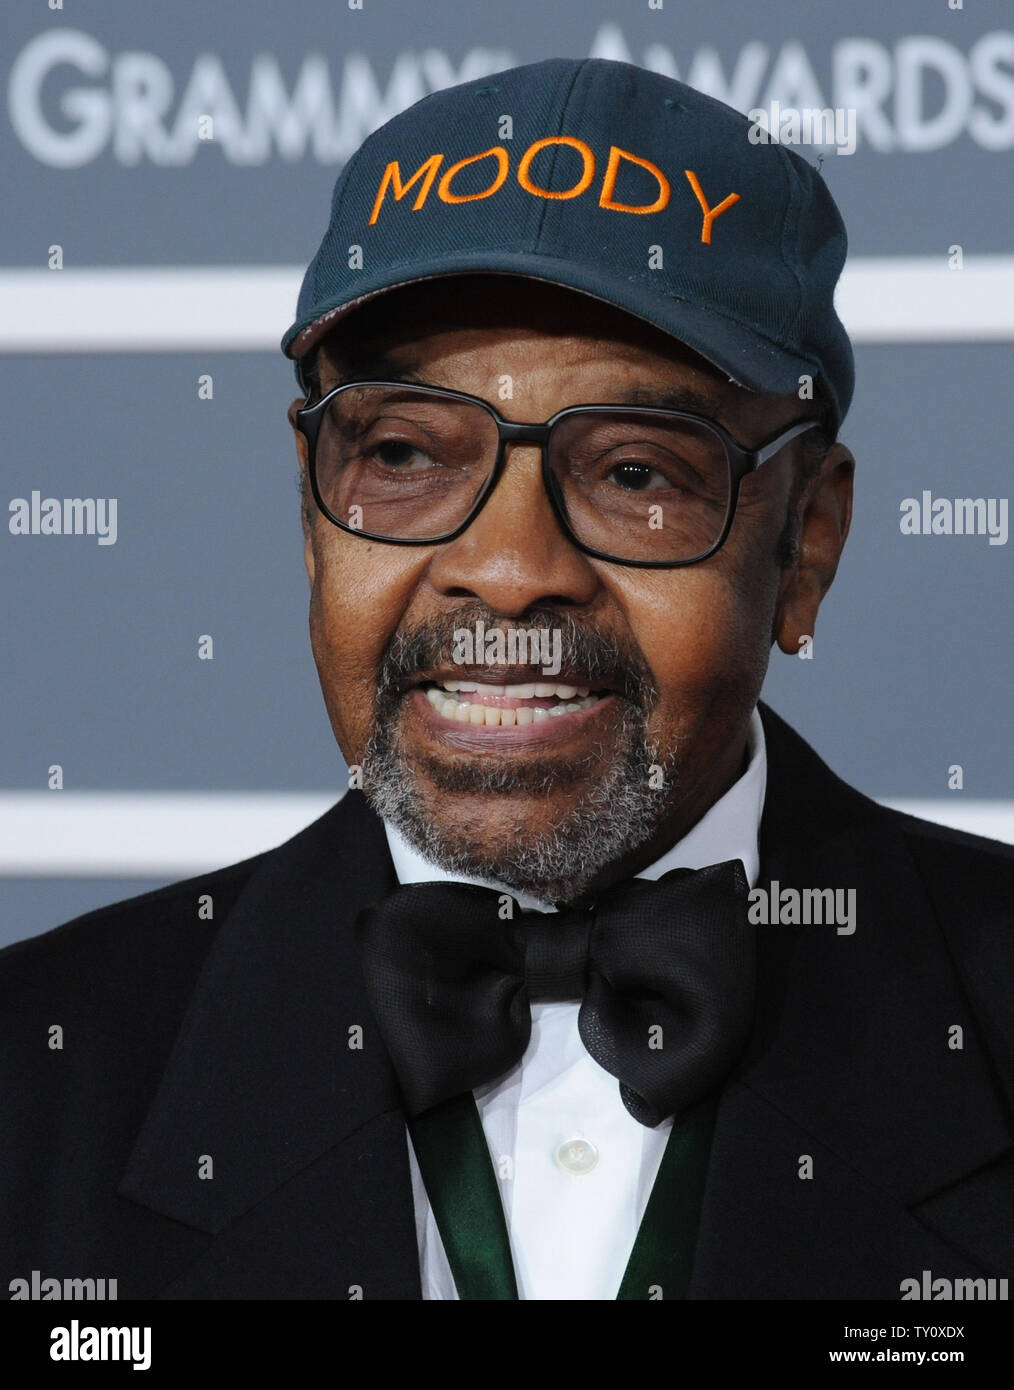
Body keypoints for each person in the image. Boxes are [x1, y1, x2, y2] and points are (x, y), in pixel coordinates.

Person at [2, 57, 1011, 1303]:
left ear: (807, 542)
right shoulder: (36, 1077)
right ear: (315, 517)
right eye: (407, 451)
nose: (509, 568)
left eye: (639, 471)